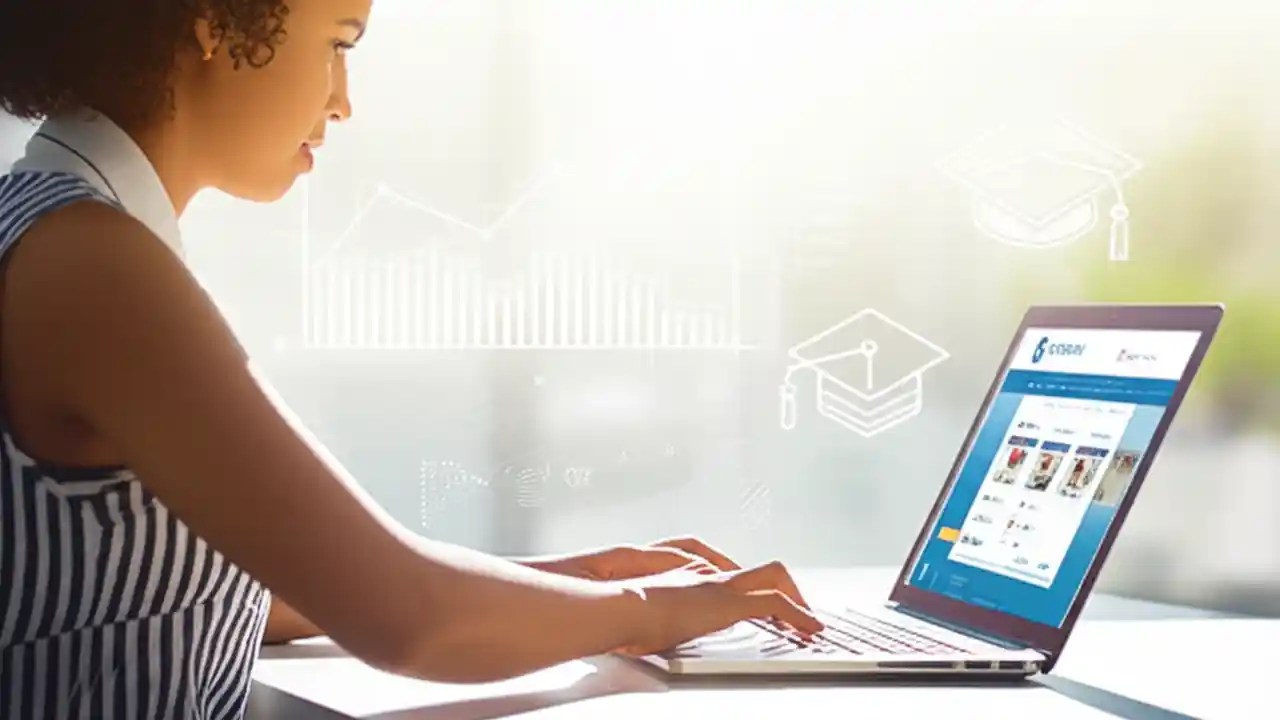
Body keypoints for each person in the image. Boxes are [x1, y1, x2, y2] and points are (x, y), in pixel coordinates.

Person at [0, 1, 822, 718]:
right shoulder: (92, 266)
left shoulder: (55, 228)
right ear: (214, 20)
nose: (344, 100)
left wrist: (572, 580)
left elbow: (211, 589)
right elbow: (408, 618)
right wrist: (649, 611)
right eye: (337, 43)